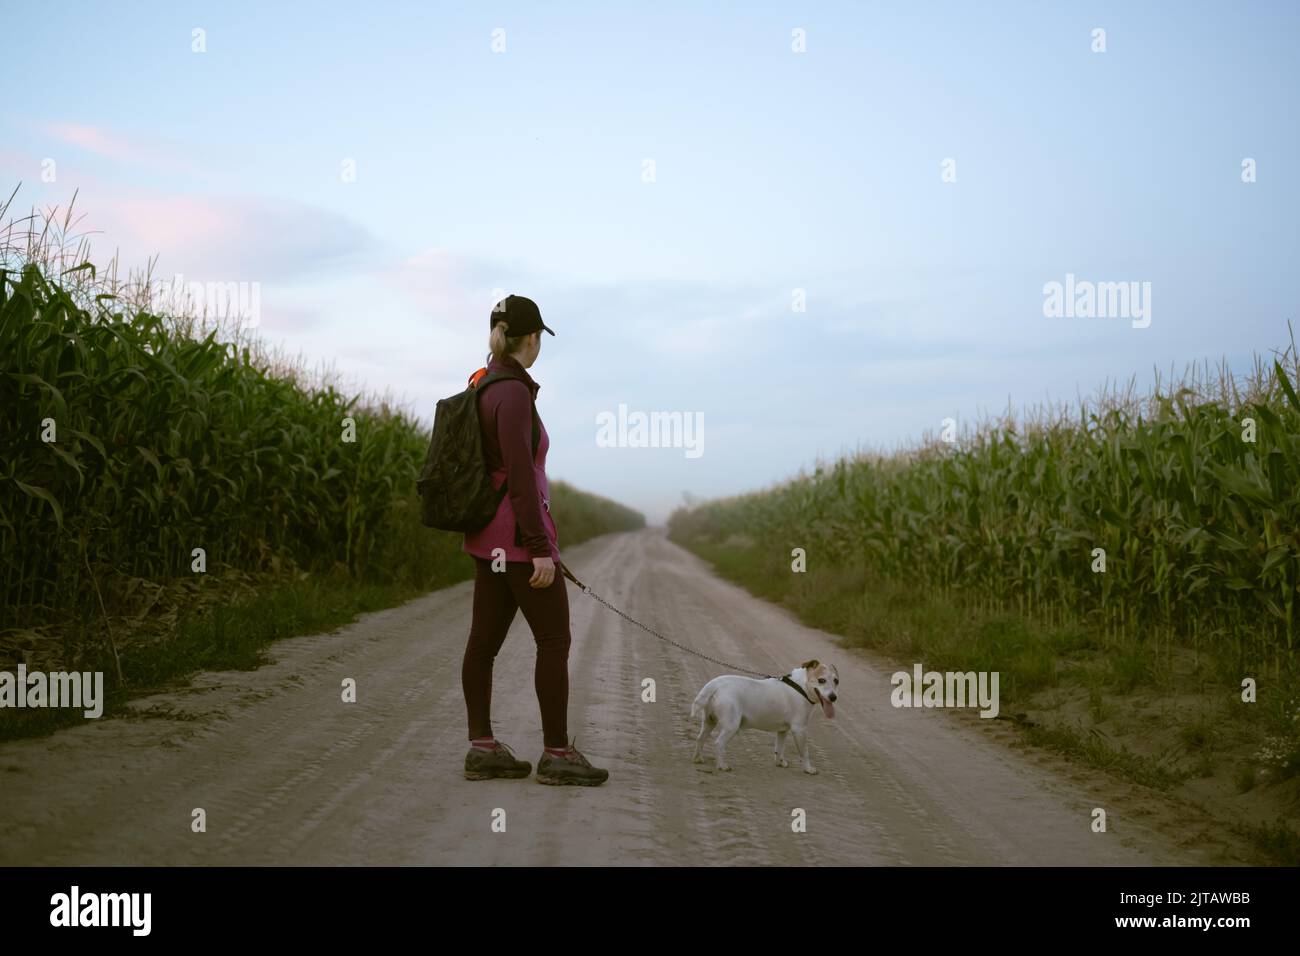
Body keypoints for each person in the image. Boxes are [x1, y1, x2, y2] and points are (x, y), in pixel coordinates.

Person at [459, 294, 609, 786]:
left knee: (483, 643)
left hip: (488, 539)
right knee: (554, 640)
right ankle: (558, 755)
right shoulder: (515, 393)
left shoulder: (482, 385)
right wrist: (540, 549)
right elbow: (520, 476)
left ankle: (482, 748)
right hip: (520, 540)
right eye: (539, 336)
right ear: (531, 338)